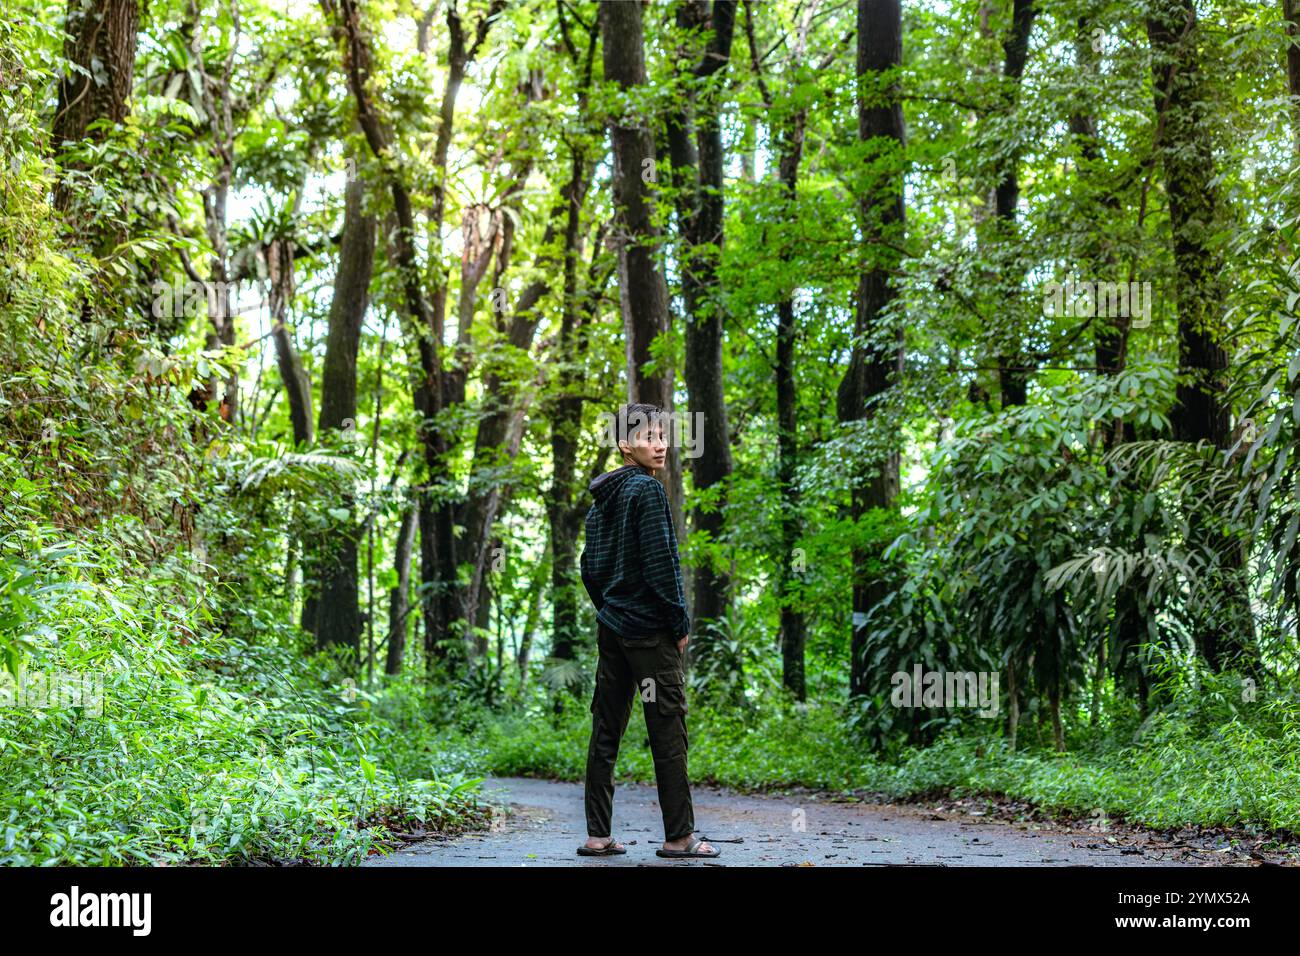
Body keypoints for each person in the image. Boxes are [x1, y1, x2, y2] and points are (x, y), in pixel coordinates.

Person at [576, 402, 719, 859]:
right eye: (649, 437)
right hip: (650, 635)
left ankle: (598, 836)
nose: (660, 445)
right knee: (668, 732)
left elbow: (589, 569)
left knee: (605, 732)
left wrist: (609, 610)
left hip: (613, 631)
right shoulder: (646, 492)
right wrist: (678, 623)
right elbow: (662, 565)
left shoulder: (601, 505)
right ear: (625, 445)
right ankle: (680, 837)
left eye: (662, 436)